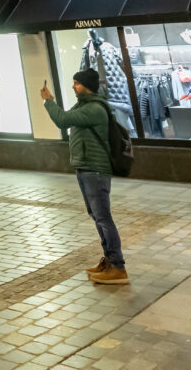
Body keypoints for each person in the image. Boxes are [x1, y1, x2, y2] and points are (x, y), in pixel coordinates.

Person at [41, 70, 128, 284]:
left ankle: (118, 266)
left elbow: (62, 120)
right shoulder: (84, 105)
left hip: (95, 169)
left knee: (103, 217)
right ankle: (109, 261)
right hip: (85, 167)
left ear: (87, 86)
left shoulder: (94, 109)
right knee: (97, 215)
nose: (73, 87)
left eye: (77, 83)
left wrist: (49, 101)